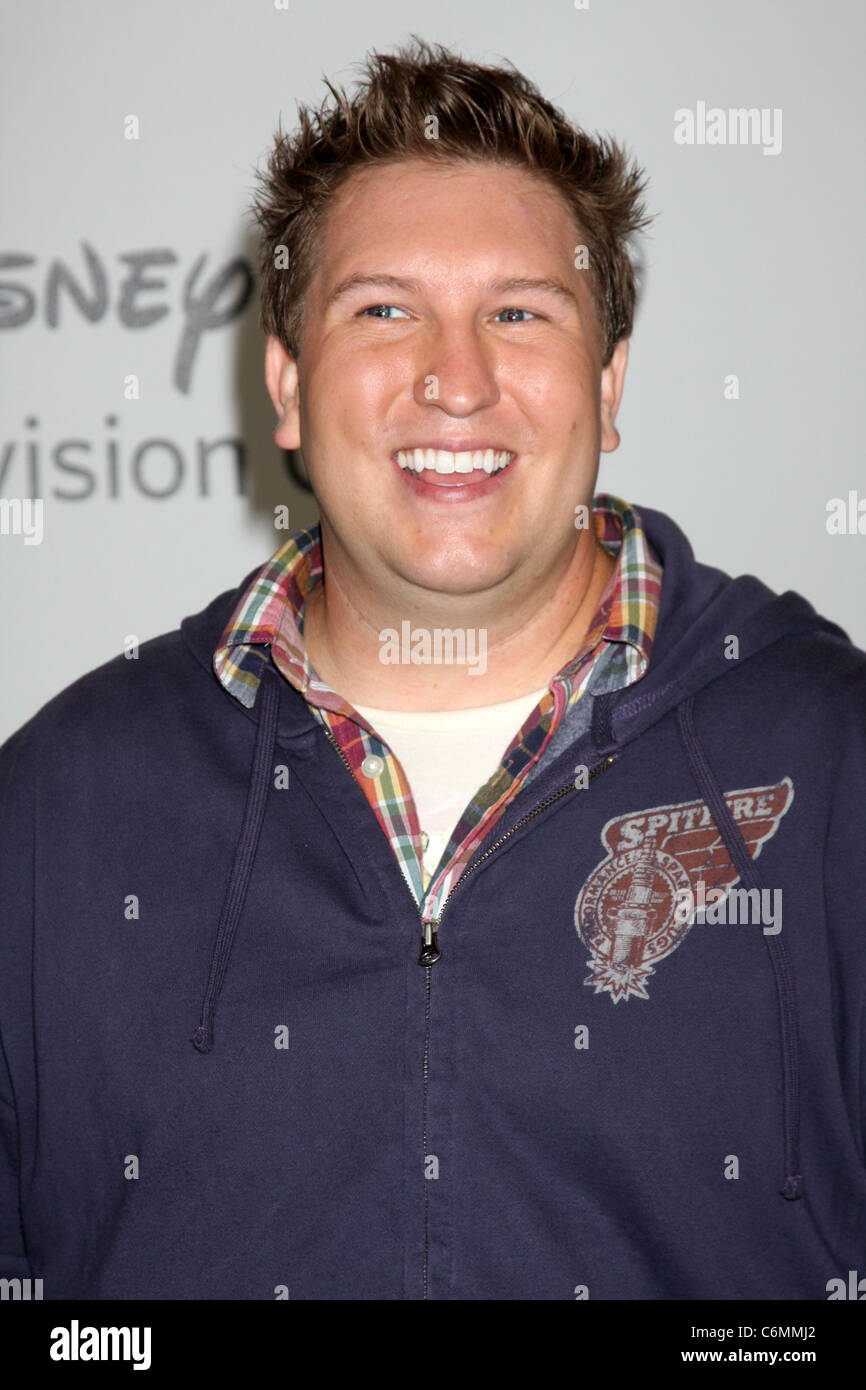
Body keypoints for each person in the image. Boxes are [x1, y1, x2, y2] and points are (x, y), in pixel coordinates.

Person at [1, 35, 864, 1302]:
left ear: (606, 384)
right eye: (382, 310)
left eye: (518, 312)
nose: (455, 382)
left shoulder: (833, 763)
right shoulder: (53, 807)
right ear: (286, 387)